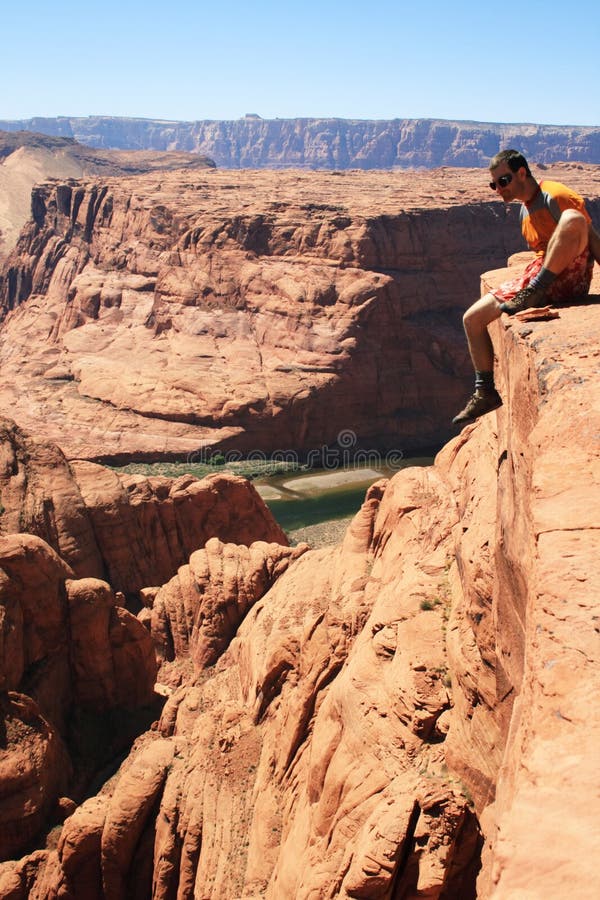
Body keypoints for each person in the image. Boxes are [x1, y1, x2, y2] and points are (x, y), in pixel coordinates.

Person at [452, 148, 597, 426]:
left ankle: (537, 290)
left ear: (521, 173)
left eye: (503, 181)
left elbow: (588, 234)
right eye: (493, 184)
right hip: (538, 275)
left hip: (570, 276)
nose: (498, 189)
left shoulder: (555, 195)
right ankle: (484, 391)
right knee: (471, 319)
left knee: (572, 219)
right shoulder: (523, 212)